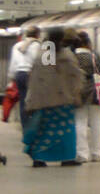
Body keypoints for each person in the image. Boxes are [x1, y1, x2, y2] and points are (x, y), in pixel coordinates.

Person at [20, 28, 84, 168]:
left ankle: (39, 158)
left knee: (44, 130)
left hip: (45, 100)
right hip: (64, 99)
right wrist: (76, 95)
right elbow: (76, 77)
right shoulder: (66, 55)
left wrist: (32, 101)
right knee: (66, 130)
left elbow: (37, 80)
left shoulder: (43, 54)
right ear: (62, 39)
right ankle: (67, 158)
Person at [70, 31, 100, 163]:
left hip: (78, 91)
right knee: (97, 122)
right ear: (88, 43)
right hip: (96, 91)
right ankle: (97, 153)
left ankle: (82, 153)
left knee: (80, 121)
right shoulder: (94, 56)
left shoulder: (72, 57)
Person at [9, 26, 39, 124]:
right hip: (31, 75)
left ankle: (25, 126)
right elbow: (37, 62)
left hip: (19, 75)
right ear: (37, 35)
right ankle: (32, 126)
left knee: (23, 100)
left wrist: (11, 77)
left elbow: (13, 63)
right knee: (33, 101)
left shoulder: (17, 45)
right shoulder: (38, 46)